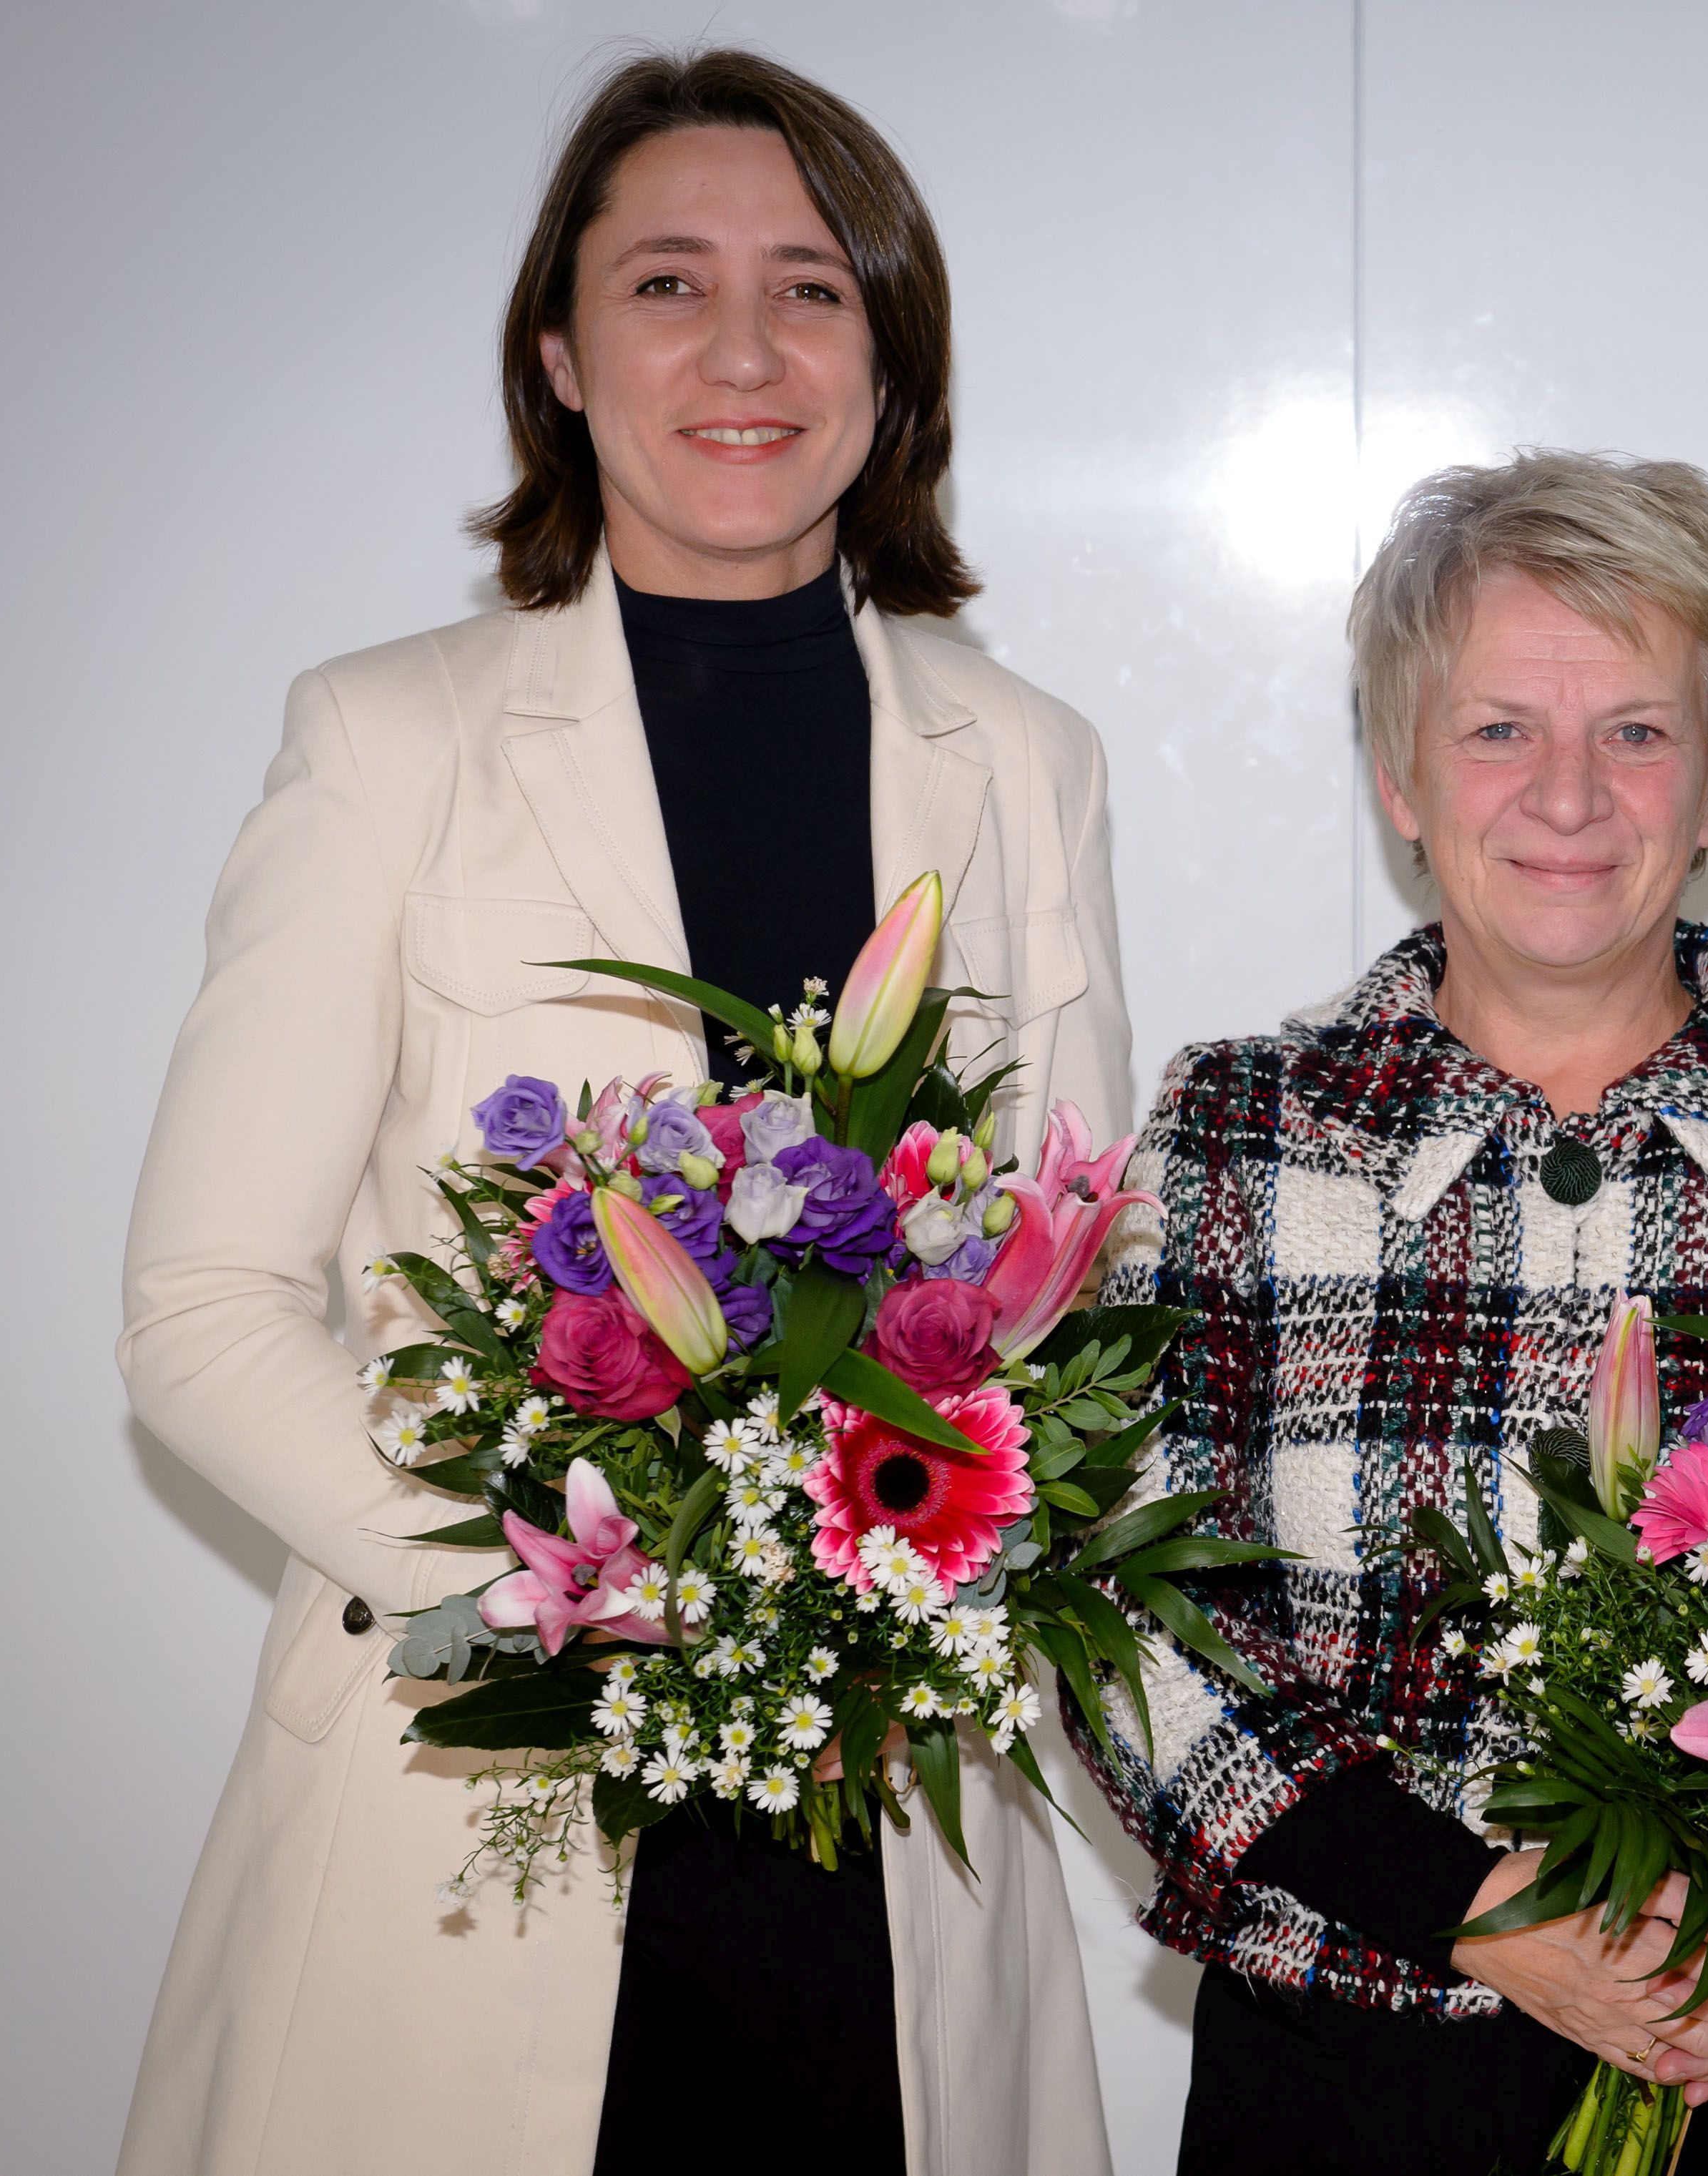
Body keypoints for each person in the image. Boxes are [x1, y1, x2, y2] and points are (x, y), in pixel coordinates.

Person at [114, 50, 1123, 2176]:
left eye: (814, 288)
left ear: (892, 356)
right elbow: (202, 1306)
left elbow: (1063, 1298)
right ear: (560, 353)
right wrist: (548, 1594)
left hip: (892, 1822)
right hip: (473, 1804)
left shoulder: (1023, 758)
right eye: (669, 283)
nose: (744, 351)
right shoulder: (389, 739)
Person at [1065, 452, 1708, 2175]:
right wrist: (1476, 1908)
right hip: (1337, 2080)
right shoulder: (1238, 1123)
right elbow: (1120, 1600)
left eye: (1635, 731)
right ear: (1400, 776)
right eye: (1495, 733)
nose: (1568, 797)